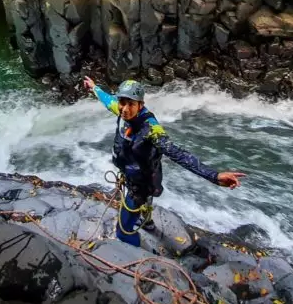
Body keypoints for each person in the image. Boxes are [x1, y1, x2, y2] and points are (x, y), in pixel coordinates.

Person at [83, 76, 246, 246]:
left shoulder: (151, 129)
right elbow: (107, 99)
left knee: (123, 231)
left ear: (141, 104)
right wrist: (94, 88)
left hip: (141, 182)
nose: (124, 109)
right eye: (122, 102)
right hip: (137, 171)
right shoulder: (121, 110)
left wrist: (215, 176)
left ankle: (135, 255)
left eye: (130, 104)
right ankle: (147, 221)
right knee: (146, 200)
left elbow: (178, 154)